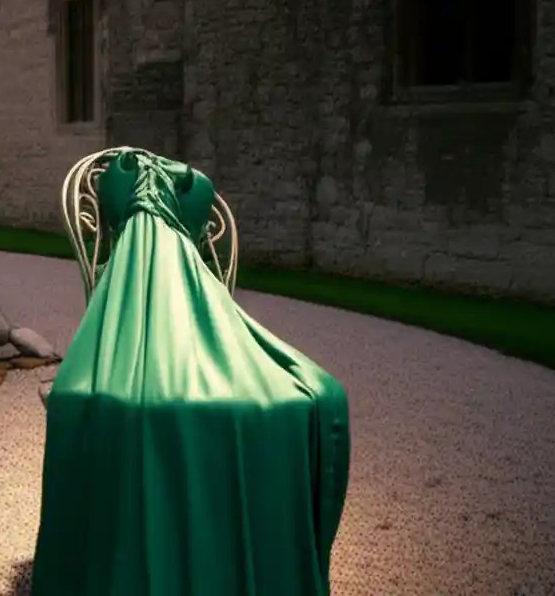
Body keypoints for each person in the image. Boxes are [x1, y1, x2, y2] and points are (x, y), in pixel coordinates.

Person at [31, 148, 350, 596]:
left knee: (312, 395)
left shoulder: (180, 190)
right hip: (128, 318)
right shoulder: (124, 180)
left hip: (197, 314)